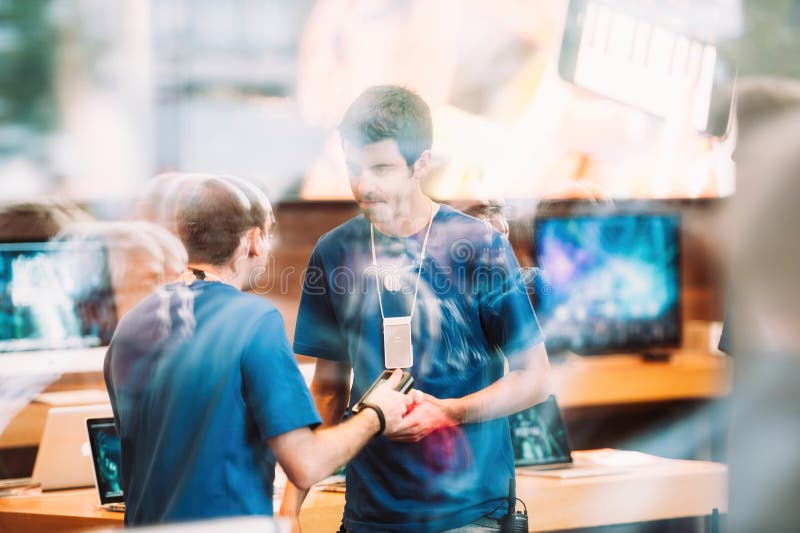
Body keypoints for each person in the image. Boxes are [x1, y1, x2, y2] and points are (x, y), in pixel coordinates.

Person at [281, 86, 551, 532]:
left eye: (382, 168)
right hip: (370, 515)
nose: (365, 184)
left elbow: (535, 379)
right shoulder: (334, 252)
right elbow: (328, 392)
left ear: (420, 164)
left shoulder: (479, 247)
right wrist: (290, 507)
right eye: (354, 167)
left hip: (470, 515)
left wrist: (448, 411)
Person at [104, 175, 411, 527]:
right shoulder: (254, 321)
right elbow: (306, 463)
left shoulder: (131, 326)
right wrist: (377, 414)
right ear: (253, 240)